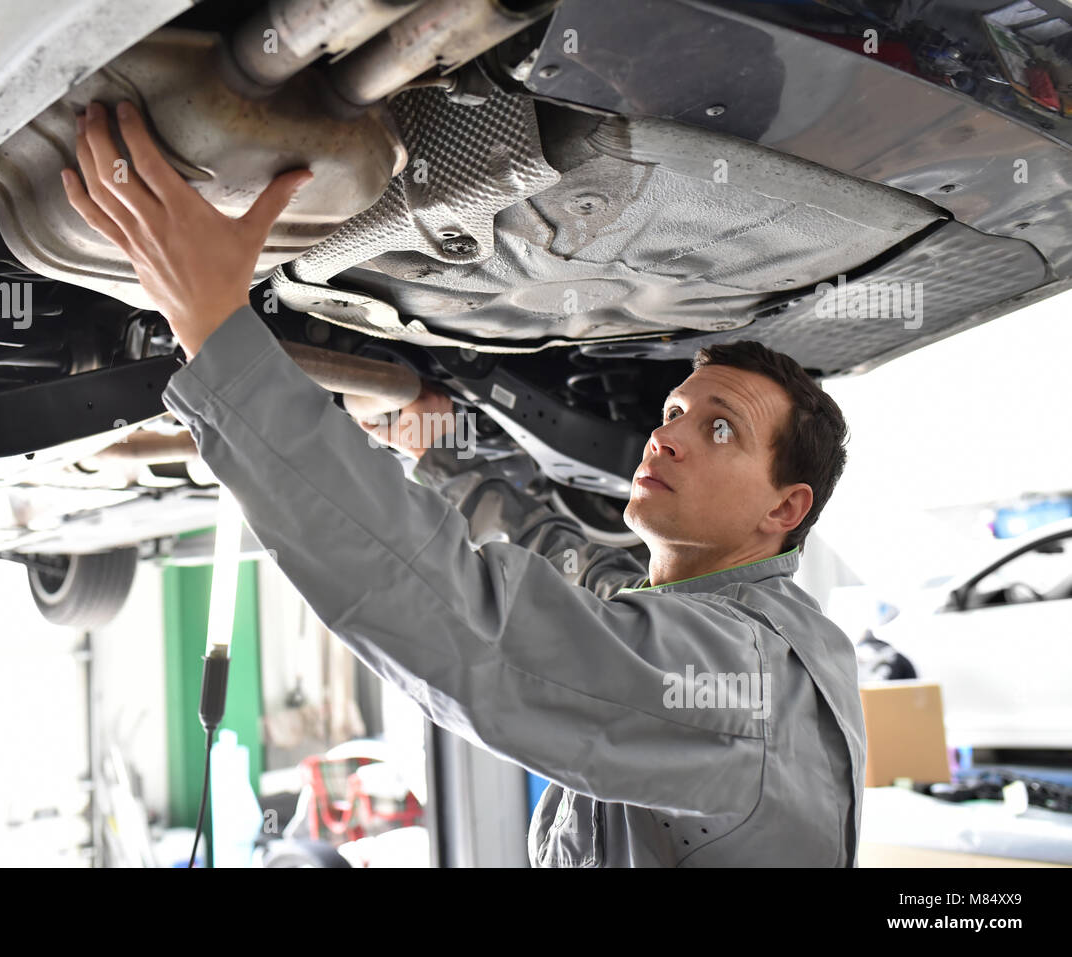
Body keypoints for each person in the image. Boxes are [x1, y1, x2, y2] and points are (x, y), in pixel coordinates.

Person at [62, 100, 867, 867]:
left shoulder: (742, 685)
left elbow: (478, 633)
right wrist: (435, 454)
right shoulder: (727, 630)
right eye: (675, 409)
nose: (667, 433)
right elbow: (560, 567)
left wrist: (217, 331)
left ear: (784, 508)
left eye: (718, 428)